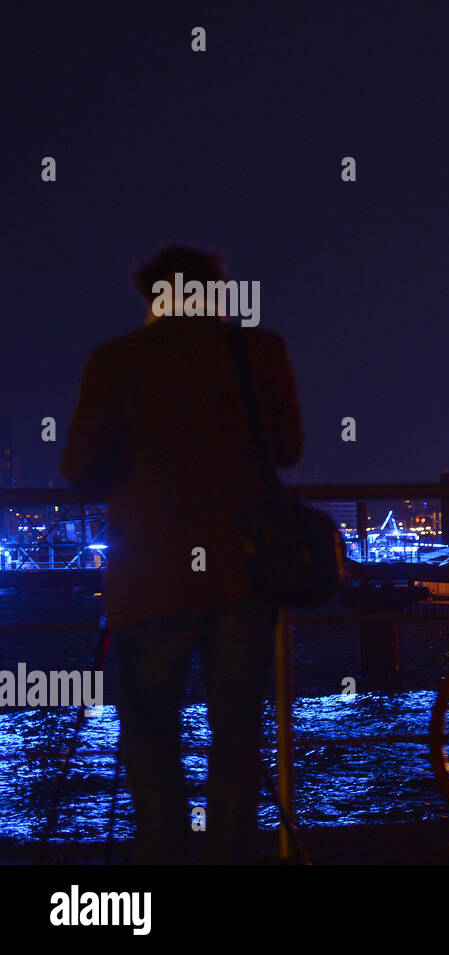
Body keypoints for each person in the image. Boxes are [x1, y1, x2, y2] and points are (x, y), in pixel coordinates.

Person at [61, 245, 303, 863]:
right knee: (237, 732)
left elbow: (81, 468)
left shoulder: (117, 360)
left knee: (148, 732)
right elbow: (289, 448)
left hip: (150, 577)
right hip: (243, 573)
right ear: (217, 296)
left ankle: (160, 859)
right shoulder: (259, 353)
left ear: (152, 298)